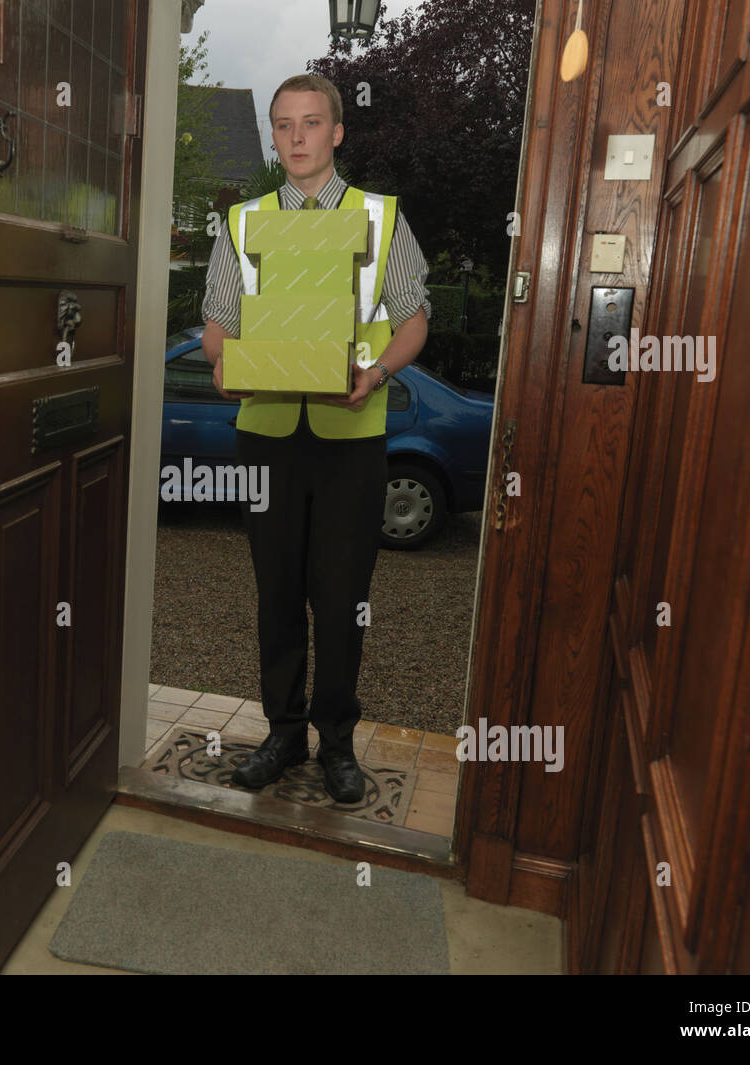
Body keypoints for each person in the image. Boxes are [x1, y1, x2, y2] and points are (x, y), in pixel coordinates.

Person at [201, 74, 431, 804]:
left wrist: (379, 371)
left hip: (350, 431)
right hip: (265, 433)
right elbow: (217, 324)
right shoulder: (240, 224)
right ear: (274, 136)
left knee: (339, 598)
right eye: (283, 125)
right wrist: (220, 365)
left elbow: (414, 317)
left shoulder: (380, 218)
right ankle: (281, 733)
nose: (296, 137)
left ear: (337, 132)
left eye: (310, 123)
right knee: (276, 596)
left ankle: (335, 742)